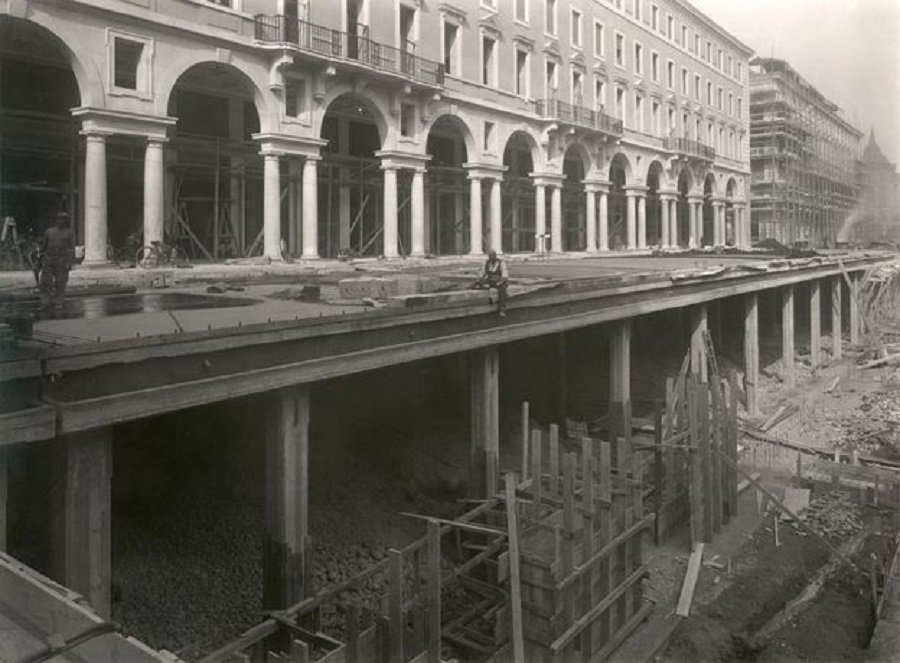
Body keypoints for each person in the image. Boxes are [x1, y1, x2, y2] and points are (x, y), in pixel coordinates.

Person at [40, 212, 76, 304]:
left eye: (63, 219)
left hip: (61, 259)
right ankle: (46, 300)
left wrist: (70, 263)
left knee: (60, 282)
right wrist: (40, 260)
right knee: (46, 281)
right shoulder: (49, 231)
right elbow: (44, 246)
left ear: (66, 221)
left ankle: (58, 300)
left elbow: (71, 248)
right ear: (56, 220)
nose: (61, 221)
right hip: (49, 258)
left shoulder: (69, 232)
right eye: (59, 219)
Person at [478, 249, 508, 316]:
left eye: (493, 255)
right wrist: (481, 278)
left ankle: (502, 309)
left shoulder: (501, 263)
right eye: (490, 256)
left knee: (502, 289)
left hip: (499, 281)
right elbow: (481, 272)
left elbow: (504, 275)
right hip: (490, 281)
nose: (491, 257)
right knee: (478, 285)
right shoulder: (486, 263)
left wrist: (500, 282)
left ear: (495, 255)